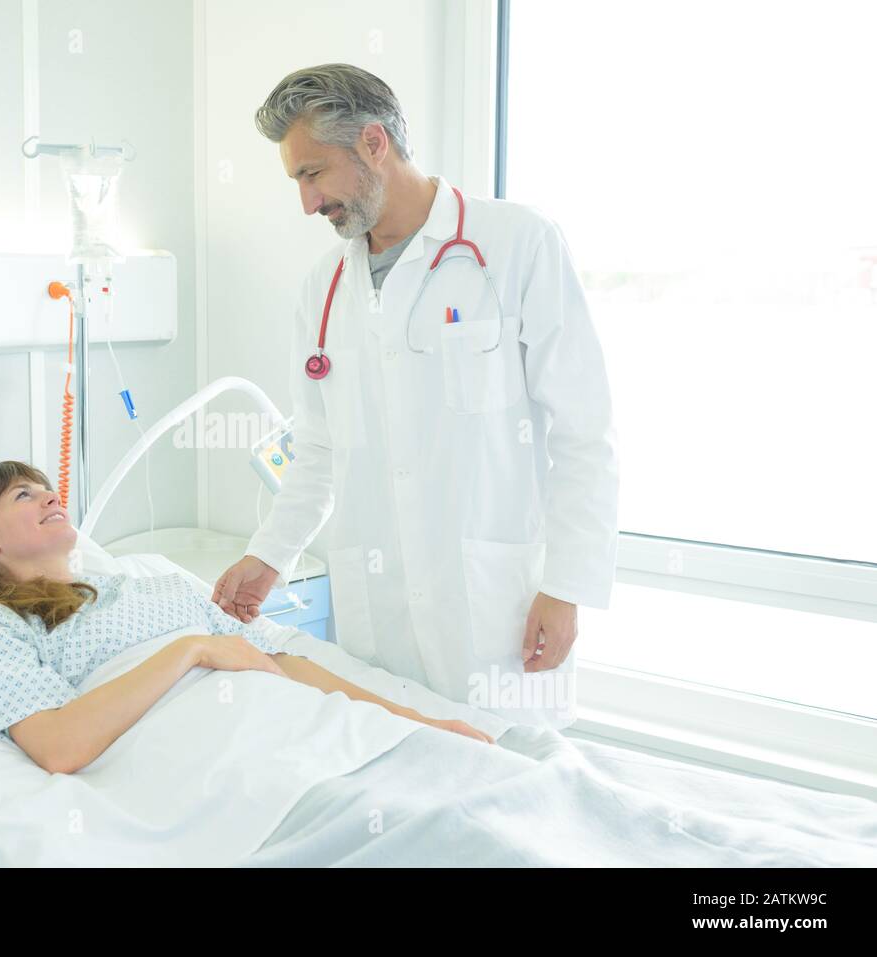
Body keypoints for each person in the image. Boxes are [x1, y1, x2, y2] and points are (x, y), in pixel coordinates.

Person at [213, 64, 620, 730]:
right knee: (403, 785)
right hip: (382, 623)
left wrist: (567, 585)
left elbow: (584, 432)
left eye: (312, 174)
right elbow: (316, 449)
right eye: (297, 181)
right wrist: (269, 555)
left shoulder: (516, 244)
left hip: (495, 612)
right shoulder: (323, 289)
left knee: (514, 783)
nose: (307, 204)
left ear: (374, 143)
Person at [0, 460, 494, 775]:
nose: (51, 497)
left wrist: (415, 721)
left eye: (49, 489)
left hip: (298, 725)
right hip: (222, 757)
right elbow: (58, 746)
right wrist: (192, 650)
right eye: (25, 496)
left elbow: (283, 664)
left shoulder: (159, 585)